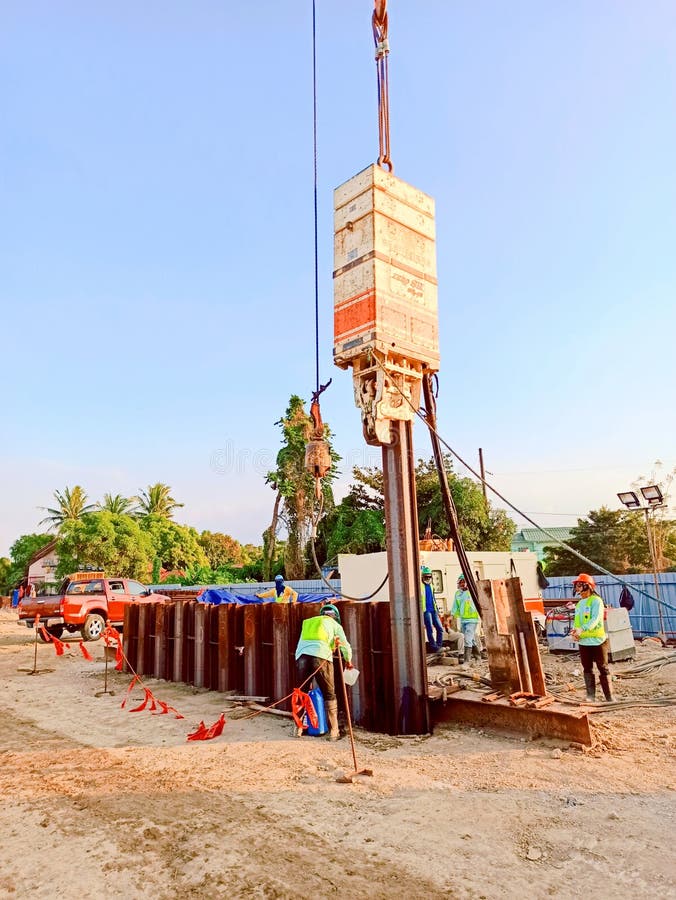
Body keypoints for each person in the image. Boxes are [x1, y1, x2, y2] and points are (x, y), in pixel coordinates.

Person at [295, 603, 353, 741]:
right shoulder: (335, 625)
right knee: (329, 693)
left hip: (301, 657)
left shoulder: (309, 622)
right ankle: (334, 731)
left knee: (301, 692)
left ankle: (297, 728)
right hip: (320, 656)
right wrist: (348, 661)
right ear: (335, 617)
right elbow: (345, 646)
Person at [570, 573, 614, 703]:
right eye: (576, 586)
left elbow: (595, 619)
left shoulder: (596, 601)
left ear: (587, 586)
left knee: (602, 667)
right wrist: (575, 632)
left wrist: (582, 629)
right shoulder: (579, 604)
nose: (577, 588)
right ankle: (590, 696)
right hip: (584, 642)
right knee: (587, 668)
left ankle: (609, 697)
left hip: (598, 641)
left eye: (579, 585)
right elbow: (577, 621)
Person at [451, 574, 481, 665]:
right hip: (463, 620)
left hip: (472, 620)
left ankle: (466, 662)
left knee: (467, 639)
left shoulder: (472, 592)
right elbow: (455, 606)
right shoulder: (458, 593)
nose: (463, 584)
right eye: (461, 582)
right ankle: (478, 658)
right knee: (471, 640)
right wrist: (452, 617)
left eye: (464, 582)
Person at [420, 565, 444, 653]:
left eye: (429, 576)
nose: (428, 578)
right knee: (429, 629)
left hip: (433, 610)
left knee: (440, 628)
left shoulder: (431, 586)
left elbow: (434, 598)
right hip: (426, 611)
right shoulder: (420, 586)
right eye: (426, 576)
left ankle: (439, 646)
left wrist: (437, 609)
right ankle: (434, 647)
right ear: (422, 577)